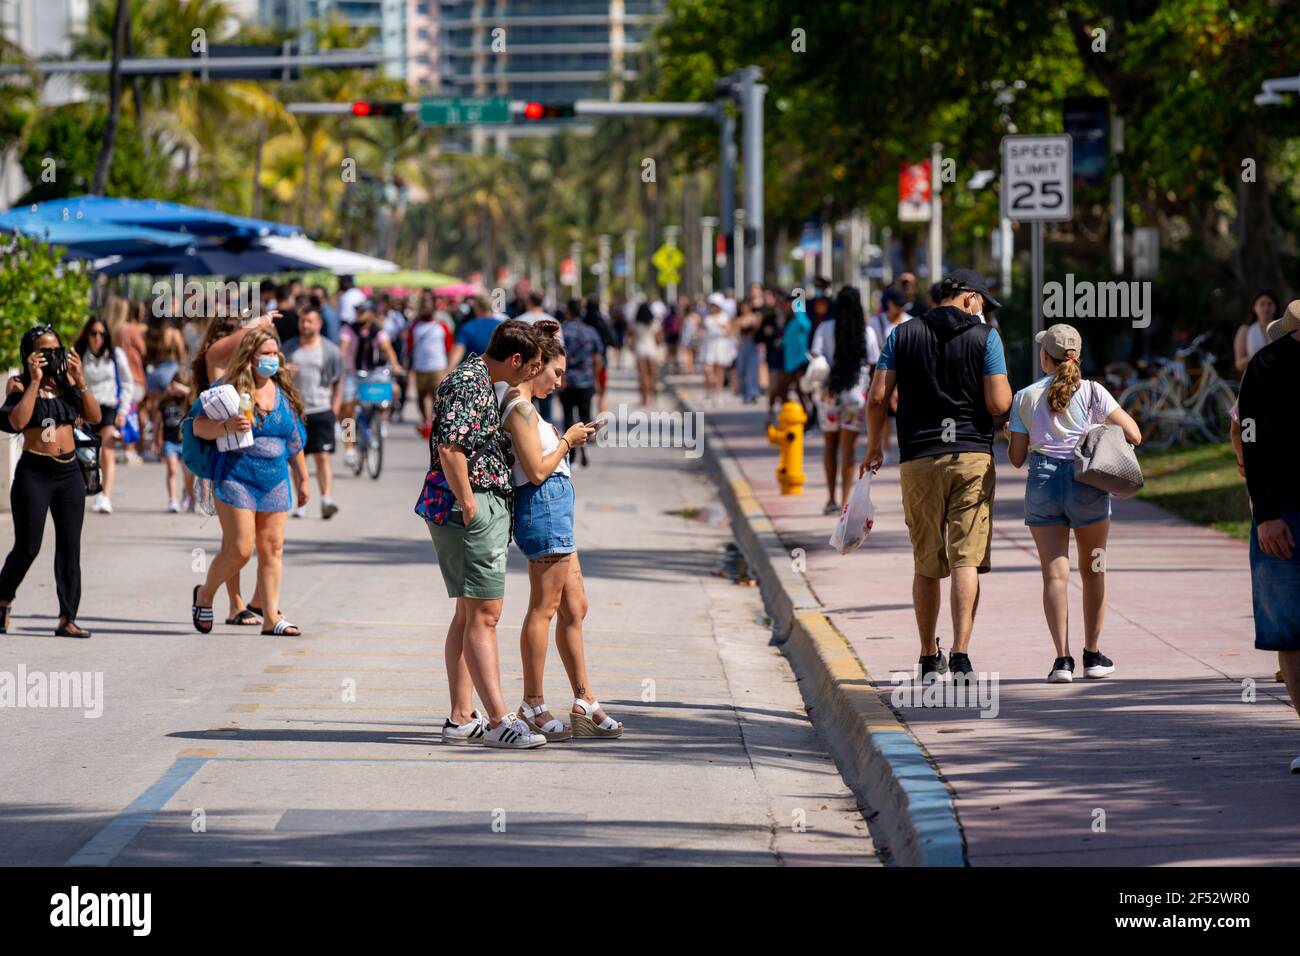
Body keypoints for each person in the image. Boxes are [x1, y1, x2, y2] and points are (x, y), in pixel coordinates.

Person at [862, 269, 1012, 680]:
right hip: (971, 457)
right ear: (968, 299)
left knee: (927, 560)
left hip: (919, 457)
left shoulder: (901, 334)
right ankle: (961, 654)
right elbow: (999, 403)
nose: (985, 313)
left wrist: (875, 445)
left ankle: (929, 656)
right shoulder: (986, 339)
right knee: (966, 558)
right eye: (984, 304)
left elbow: (877, 397)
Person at [415, 321, 549, 749]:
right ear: (514, 360)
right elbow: (451, 447)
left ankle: (461, 717)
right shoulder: (471, 384)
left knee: (468, 613)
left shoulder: (476, 378)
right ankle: (497, 721)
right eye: (530, 366)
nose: (531, 375)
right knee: (486, 615)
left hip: (475, 503)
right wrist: (470, 502)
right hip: (471, 505)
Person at [498, 331, 622, 740]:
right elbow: (535, 470)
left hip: (556, 510)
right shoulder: (518, 408)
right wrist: (569, 440)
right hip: (542, 508)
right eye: (555, 372)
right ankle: (532, 702)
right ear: (536, 366)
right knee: (544, 607)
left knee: (575, 605)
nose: (559, 382)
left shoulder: (530, 408)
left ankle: (584, 698)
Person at [1006, 324, 1142, 683]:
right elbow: (1134, 433)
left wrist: (1012, 435)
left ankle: (1062, 660)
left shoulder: (1025, 396)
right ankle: (1093, 656)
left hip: (1043, 482)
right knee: (1094, 569)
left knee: (1054, 573)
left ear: (1045, 357)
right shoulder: (1095, 392)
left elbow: (1017, 459)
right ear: (1076, 357)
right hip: (1087, 484)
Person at [189, 328, 310, 637]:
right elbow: (198, 427)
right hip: (236, 478)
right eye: (264, 354)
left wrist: (304, 479)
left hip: (275, 482)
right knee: (240, 549)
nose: (271, 359)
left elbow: (294, 441)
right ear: (249, 357)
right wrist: (225, 425)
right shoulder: (228, 390)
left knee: (273, 549)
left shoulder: (283, 392)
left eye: (274, 354)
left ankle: (271, 617)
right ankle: (205, 594)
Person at [0, 326, 100, 638]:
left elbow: (94, 416)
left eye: (56, 350)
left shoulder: (68, 385)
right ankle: (3, 597)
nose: (51, 357)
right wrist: (34, 382)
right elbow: (16, 422)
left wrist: (80, 381)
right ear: (31, 356)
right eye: (44, 352)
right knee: (28, 546)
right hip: (35, 473)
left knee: (70, 546)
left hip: (69, 473)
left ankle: (67, 617)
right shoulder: (19, 384)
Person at [1239, 299, 1300, 772]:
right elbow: (1250, 441)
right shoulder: (1267, 366)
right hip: (1284, 512)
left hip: (1279, 512)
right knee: (1289, 630)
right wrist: (1265, 513)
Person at [810, 287, 880, 515]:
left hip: (830, 394)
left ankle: (830, 499)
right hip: (855, 395)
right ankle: (844, 502)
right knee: (848, 451)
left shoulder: (825, 328)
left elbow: (815, 355)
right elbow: (873, 362)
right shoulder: (866, 332)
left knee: (830, 447)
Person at [284, 306, 345, 519]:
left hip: (321, 409)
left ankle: (327, 499)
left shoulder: (330, 350)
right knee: (297, 459)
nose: (305, 325)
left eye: (309, 321)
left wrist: (335, 408)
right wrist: (283, 372)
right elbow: (276, 379)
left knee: (322, 456)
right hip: (295, 411)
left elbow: (338, 381)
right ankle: (301, 503)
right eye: (302, 321)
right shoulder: (288, 348)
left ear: (319, 323)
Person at [75, 316, 132, 515]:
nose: (97, 338)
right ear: (87, 335)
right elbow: (73, 384)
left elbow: (127, 384)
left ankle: (106, 496)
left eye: (101, 334)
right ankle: (94, 487)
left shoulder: (116, 355)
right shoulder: (80, 354)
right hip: (87, 408)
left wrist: (123, 411)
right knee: (86, 453)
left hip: (108, 408)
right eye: (93, 333)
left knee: (108, 451)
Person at [559, 298, 603, 467]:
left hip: (567, 381)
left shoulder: (563, 332)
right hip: (586, 381)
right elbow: (598, 357)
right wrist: (596, 378)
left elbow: (558, 357)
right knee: (585, 417)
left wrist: (560, 377)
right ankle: (585, 449)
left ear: (568, 311)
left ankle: (573, 453)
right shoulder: (590, 331)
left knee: (568, 418)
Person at [408, 300, 454, 436]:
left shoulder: (441, 326)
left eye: (428, 308)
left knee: (438, 397)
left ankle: (437, 423)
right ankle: (425, 421)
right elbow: (410, 347)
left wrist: (449, 367)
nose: (425, 311)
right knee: (421, 397)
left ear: (434, 310)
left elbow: (449, 346)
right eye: (423, 308)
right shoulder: (415, 327)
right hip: (420, 367)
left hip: (438, 367)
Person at [155, 366, 193, 512]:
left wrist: (183, 390)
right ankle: (172, 500)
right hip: (169, 441)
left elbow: (198, 397)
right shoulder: (165, 401)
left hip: (186, 443)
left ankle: (186, 492)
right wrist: (155, 440)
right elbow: (158, 421)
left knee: (188, 474)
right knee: (171, 470)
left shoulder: (190, 401)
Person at [447, 294, 505, 369]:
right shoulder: (504, 326)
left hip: (475, 374)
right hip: (501, 373)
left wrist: (447, 372)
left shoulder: (468, 327)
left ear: (476, 307)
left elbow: (456, 355)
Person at [1233, 290, 1282, 374]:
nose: (1266, 308)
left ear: (1275, 307)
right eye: (1262, 304)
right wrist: (1259, 356)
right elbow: (1239, 364)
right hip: (1254, 380)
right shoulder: (1245, 330)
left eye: (1270, 304)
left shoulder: (1283, 329)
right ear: (1254, 308)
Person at [630, 302, 663, 406]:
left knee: (642, 375)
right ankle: (652, 396)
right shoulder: (654, 323)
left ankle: (644, 398)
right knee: (652, 374)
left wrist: (632, 348)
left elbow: (632, 339)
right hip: (651, 348)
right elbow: (658, 339)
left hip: (640, 349)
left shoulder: (636, 324)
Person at [733, 299, 762, 404]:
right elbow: (735, 331)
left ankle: (753, 392)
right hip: (742, 345)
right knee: (742, 370)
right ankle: (745, 393)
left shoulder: (754, 317)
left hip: (753, 345)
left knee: (752, 370)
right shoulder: (739, 319)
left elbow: (757, 327)